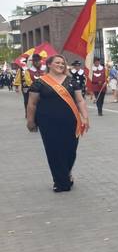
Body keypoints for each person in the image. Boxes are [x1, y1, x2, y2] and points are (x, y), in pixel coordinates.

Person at [25, 55, 89, 192]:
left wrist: (85, 117)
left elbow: (80, 101)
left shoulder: (71, 81)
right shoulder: (40, 83)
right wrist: (30, 121)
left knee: (70, 150)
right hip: (48, 123)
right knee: (54, 151)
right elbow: (32, 104)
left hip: (71, 122)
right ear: (49, 65)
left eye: (63, 63)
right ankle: (60, 182)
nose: (61, 65)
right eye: (57, 62)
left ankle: (67, 172)